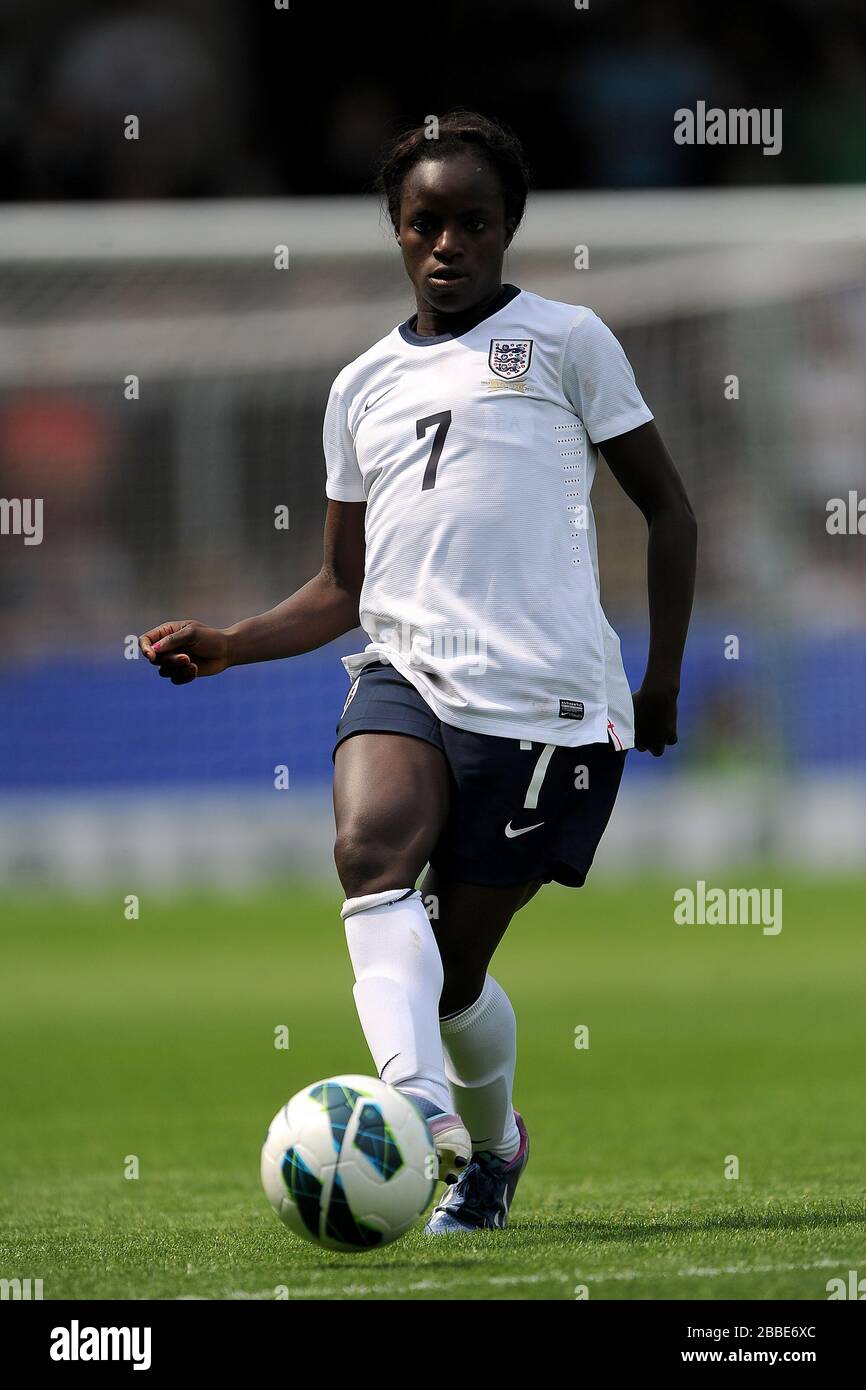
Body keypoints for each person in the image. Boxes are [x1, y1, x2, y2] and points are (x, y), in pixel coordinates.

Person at [139, 111, 697, 1235]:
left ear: (506, 230)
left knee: (446, 980)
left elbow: (669, 510)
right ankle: (421, 1117)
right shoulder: (358, 387)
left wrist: (660, 681)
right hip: (405, 672)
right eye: (423, 223)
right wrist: (231, 640)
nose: (446, 244)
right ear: (396, 232)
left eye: (470, 223)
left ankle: (494, 1145)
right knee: (366, 849)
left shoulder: (566, 341)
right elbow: (342, 586)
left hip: (547, 705)